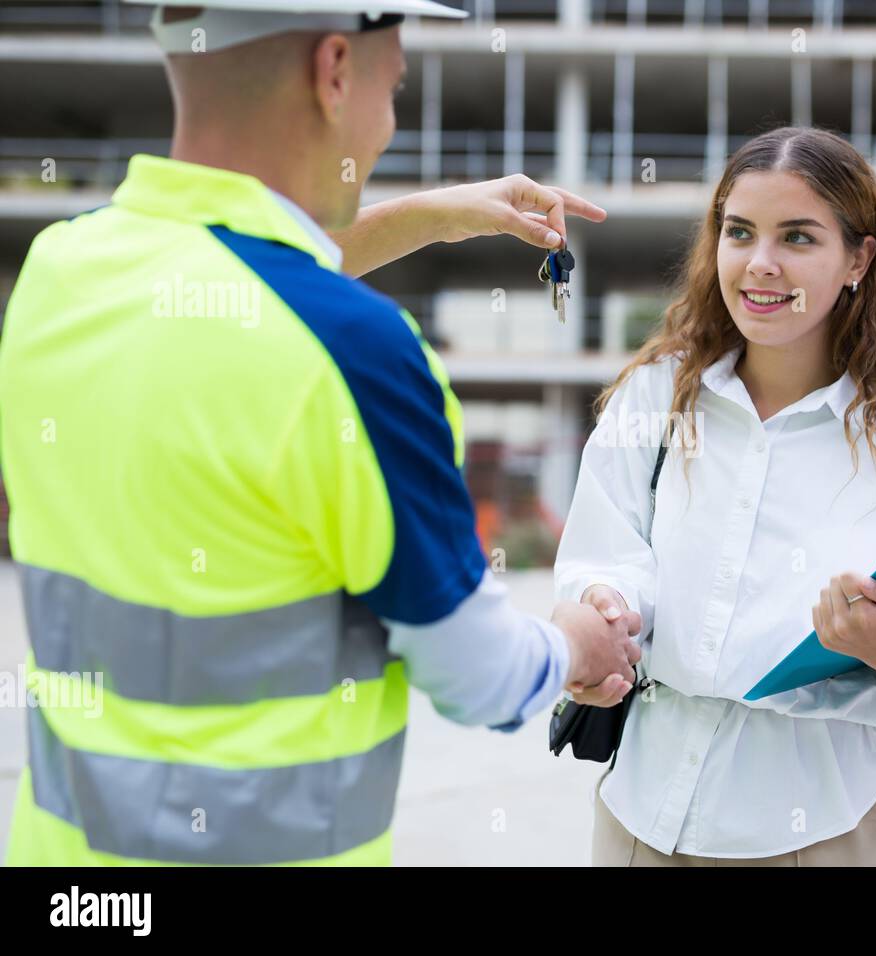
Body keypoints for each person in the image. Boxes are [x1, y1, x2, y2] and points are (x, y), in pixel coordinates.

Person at [0, 0, 638, 866]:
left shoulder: (59, 272)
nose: (389, 121)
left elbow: (230, 281)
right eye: (395, 86)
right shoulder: (360, 356)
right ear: (335, 69)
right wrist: (576, 643)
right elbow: (480, 677)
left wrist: (433, 216)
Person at [555, 126, 876, 866]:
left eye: (798, 237)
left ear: (858, 260)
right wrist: (599, 610)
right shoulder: (655, 396)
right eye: (739, 233)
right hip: (642, 814)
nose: (760, 264)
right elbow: (600, 558)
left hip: (824, 828)